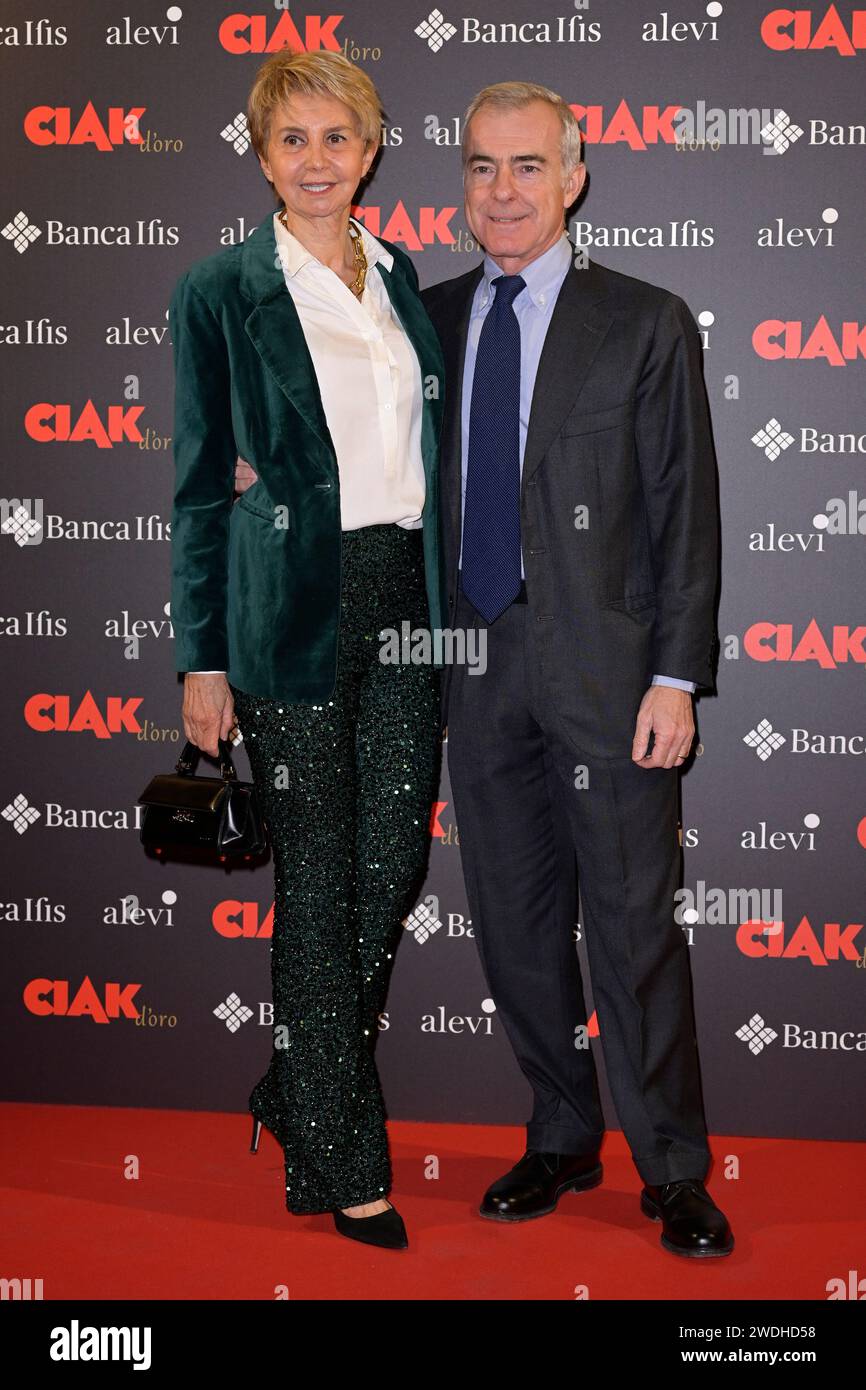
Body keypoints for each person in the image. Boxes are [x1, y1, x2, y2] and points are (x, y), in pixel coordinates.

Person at [421, 81, 731, 1258]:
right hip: (471, 665)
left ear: (573, 175)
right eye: (479, 167)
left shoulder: (644, 320)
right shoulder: (429, 319)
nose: (501, 191)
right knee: (511, 922)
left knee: (631, 928)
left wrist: (673, 677)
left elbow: (683, 512)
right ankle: (558, 1133)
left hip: (610, 676)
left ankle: (671, 1168)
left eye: (525, 166)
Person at [168, 49, 446, 1250]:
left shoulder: (401, 278)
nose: (318, 161)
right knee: (320, 883)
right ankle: (341, 1161)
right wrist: (201, 655)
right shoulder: (221, 289)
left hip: (405, 596)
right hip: (286, 605)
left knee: (386, 874)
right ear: (261, 153)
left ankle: (295, 1087)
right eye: (293, 140)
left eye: (338, 138)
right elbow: (194, 489)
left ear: (371, 151)